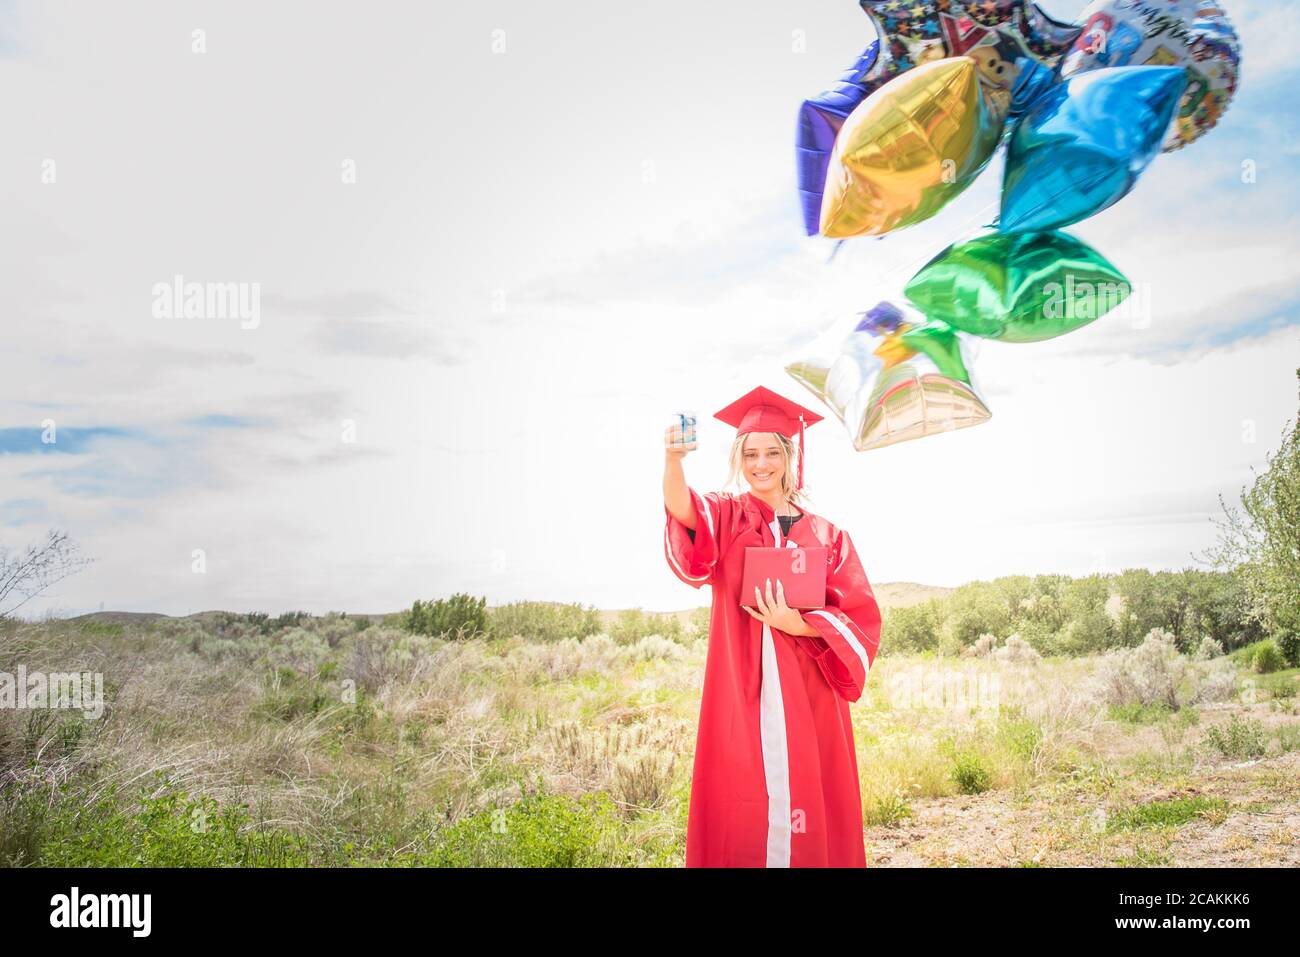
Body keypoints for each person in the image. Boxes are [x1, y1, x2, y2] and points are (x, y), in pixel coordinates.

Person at [662, 385, 883, 867]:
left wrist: (796, 624)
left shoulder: (828, 535)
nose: (761, 464)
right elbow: (683, 510)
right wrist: (673, 461)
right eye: (750, 454)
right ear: (740, 458)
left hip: (809, 693)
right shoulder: (729, 515)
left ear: (790, 455)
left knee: (808, 794)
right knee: (745, 798)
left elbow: (859, 619)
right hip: (744, 687)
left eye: (771, 453)